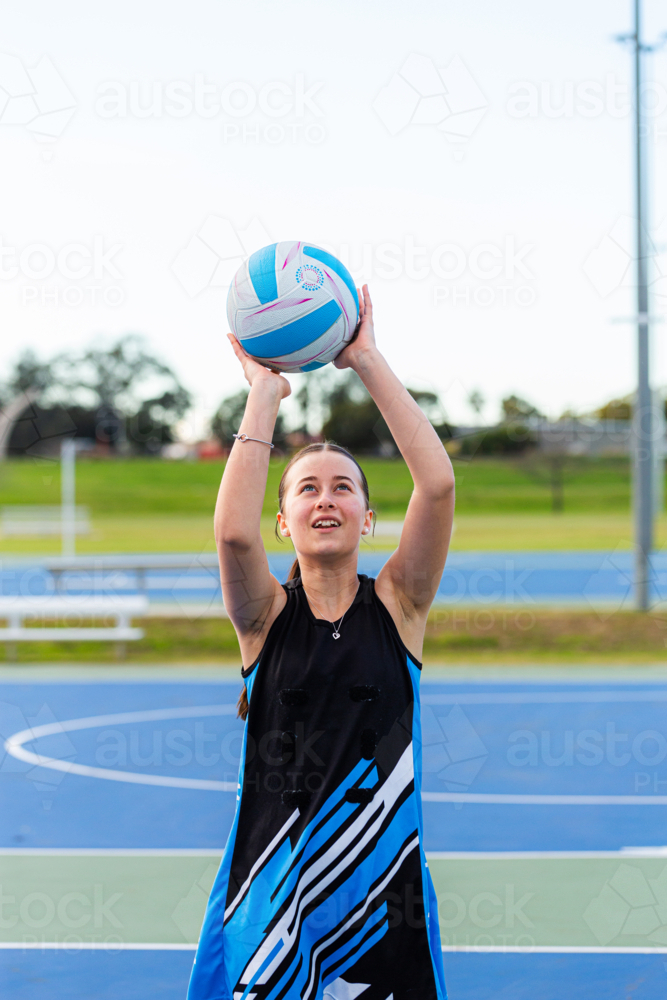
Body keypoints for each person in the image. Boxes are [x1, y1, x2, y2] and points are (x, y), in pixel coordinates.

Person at [188, 286, 455, 1000]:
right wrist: (263, 393)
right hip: (275, 892)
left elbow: (436, 487)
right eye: (306, 489)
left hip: (380, 892)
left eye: (343, 488)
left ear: (368, 518)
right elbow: (230, 533)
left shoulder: (398, 605)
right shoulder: (262, 620)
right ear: (285, 522)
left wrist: (365, 359)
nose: (327, 499)